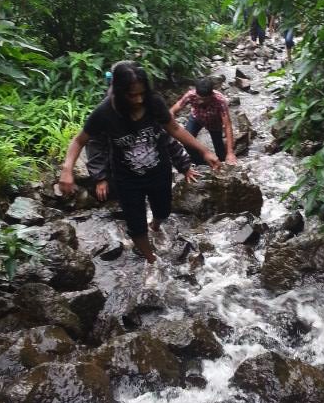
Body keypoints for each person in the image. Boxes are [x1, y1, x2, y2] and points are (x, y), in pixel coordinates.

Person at [58, 61, 220, 263]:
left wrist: (204, 151)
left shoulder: (154, 103)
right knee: (136, 224)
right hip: (127, 178)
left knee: (163, 210)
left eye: (142, 93)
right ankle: (151, 260)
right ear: (118, 91)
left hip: (159, 171)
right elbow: (80, 140)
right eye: (131, 95)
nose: (138, 99)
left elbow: (175, 129)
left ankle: (156, 224)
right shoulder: (105, 112)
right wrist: (67, 170)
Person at [170, 77, 238, 166]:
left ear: (211, 94)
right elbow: (174, 109)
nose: (201, 101)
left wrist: (230, 152)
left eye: (205, 99)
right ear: (196, 93)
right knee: (187, 142)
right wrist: (169, 123)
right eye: (199, 98)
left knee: (220, 152)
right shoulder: (191, 95)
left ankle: (220, 163)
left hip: (214, 123)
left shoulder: (220, 100)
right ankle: (200, 163)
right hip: (196, 118)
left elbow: (227, 125)